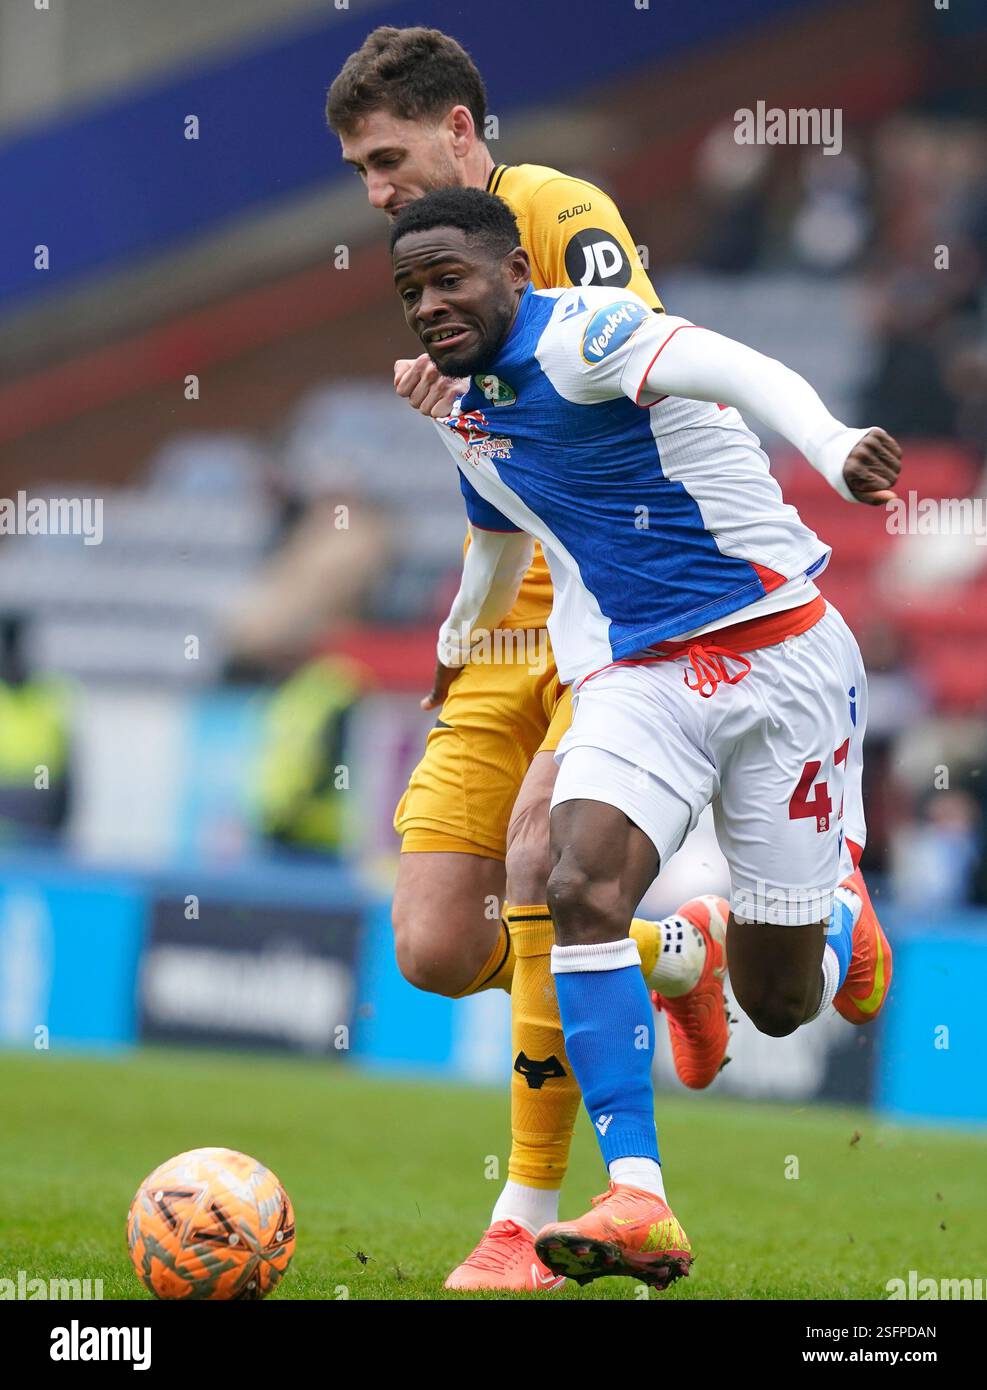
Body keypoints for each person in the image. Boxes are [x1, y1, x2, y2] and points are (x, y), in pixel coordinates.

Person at [390, 185, 899, 1288]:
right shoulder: (463, 404)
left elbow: (741, 369)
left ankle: (801, 925)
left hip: (782, 653)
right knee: (575, 879)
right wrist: (455, 639)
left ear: (515, 275)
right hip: (639, 676)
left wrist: (834, 438)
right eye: (412, 290)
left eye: (450, 280)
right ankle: (640, 1196)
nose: (430, 304)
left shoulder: (586, 334)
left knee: (781, 1002)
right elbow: (493, 534)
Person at [327, 24, 730, 1289]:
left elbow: (649, 375)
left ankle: (525, 1222)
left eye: (388, 156)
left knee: (544, 860)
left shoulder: (556, 209)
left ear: (460, 131)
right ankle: (674, 957)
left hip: (611, 602)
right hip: (505, 616)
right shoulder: (431, 269)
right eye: (359, 170)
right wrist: (460, 621)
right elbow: (495, 477)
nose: (377, 189)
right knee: (438, 945)